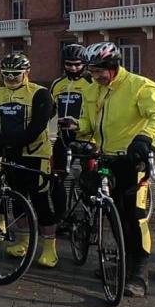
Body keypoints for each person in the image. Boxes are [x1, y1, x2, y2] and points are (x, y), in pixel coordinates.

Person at [62, 42, 155, 298]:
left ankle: (139, 274)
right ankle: (120, 261)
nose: (96, 75)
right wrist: (76, 127)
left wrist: (145, 136)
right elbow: (91, 124)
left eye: (101, 70)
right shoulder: (94, 89)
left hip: (134, 161)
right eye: (92, 70)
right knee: (114, 216)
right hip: (106, 160)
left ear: (114, 65)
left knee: (136, 217)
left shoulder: (140, 86)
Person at [0, 53, 57, 267]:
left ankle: (49, 249)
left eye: (15, 75)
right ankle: (24, 243)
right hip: (12, 155)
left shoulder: (40, 93)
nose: (10, 78)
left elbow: (37, 126)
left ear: (26, 73)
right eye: (6, 74)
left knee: (41, 201)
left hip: (36, 155)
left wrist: (13, 144)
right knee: (18, 199)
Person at [49, 43, 95, 228]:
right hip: (62, 138)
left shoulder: (92, 83)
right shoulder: (57, 84)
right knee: (55, 178)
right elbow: (50, 110)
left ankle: (90, 217)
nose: (73, 68)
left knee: (89, 181)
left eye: (77, 64)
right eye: (69, 64)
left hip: (86, 139)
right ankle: (61, 217)